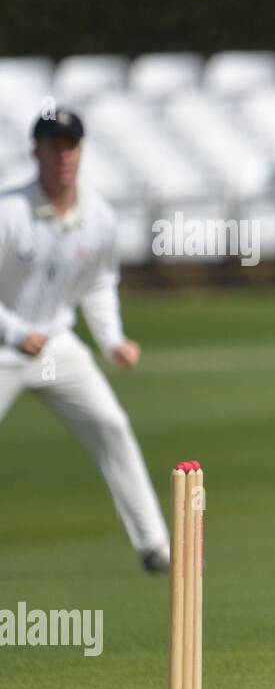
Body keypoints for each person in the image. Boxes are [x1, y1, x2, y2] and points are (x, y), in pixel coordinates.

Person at [0, 108, 171, 573]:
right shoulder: (8, 211)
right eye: (53, 145)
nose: (63, 155)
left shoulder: (98, 217)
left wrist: (112, 340)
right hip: (3, 348)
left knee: (111, 425)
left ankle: (154, 544)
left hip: (56, 344)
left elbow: (98, 283)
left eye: (70, 145)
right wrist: (14, 332)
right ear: (36, 152)